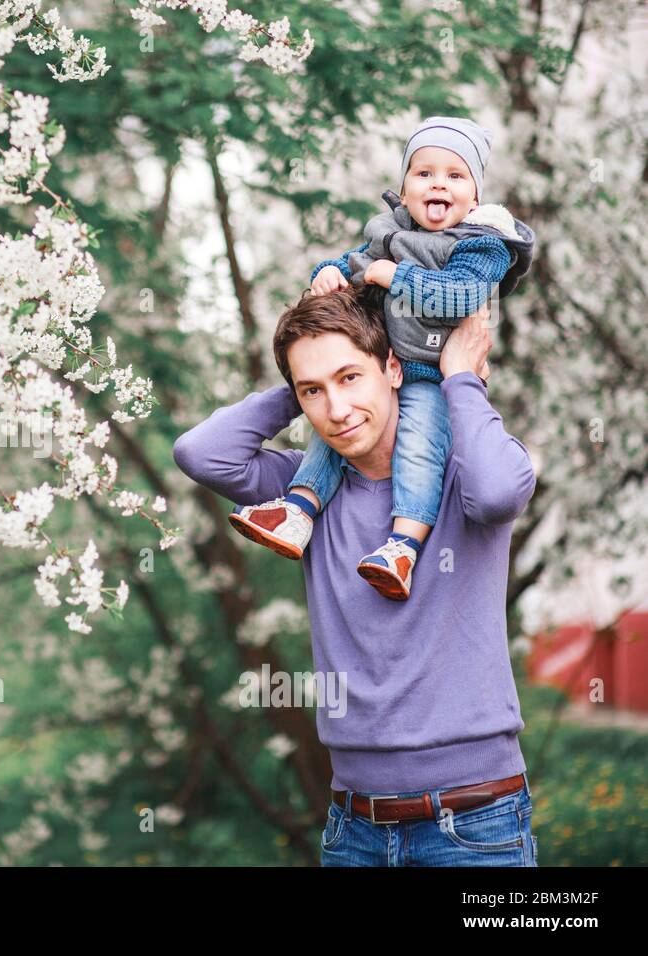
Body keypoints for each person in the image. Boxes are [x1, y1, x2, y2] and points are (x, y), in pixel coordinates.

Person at [172, 285, 539, 866]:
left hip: (476, 824)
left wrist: (457, 377)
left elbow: (499, 493)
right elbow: (201, 452)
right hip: (355, 829)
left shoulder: (463, 478)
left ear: (393, 367)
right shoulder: (305, 495)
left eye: (350, 378)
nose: (336, 411)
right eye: (313, 391)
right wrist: (304, 378)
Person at [227, 116, 535, 601]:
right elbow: (351, 262)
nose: (438, 183)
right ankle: (297, 511)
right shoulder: (389, 232)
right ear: (405, 189)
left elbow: (458, 297)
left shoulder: (482, 244)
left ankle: (403, 546)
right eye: (424, 173)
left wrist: (392, 276)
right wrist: (327, 274)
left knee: (417, 449)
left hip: (432, 377)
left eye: (455, 176)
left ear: (475, 196)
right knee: (333, 432)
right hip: (382, 368)